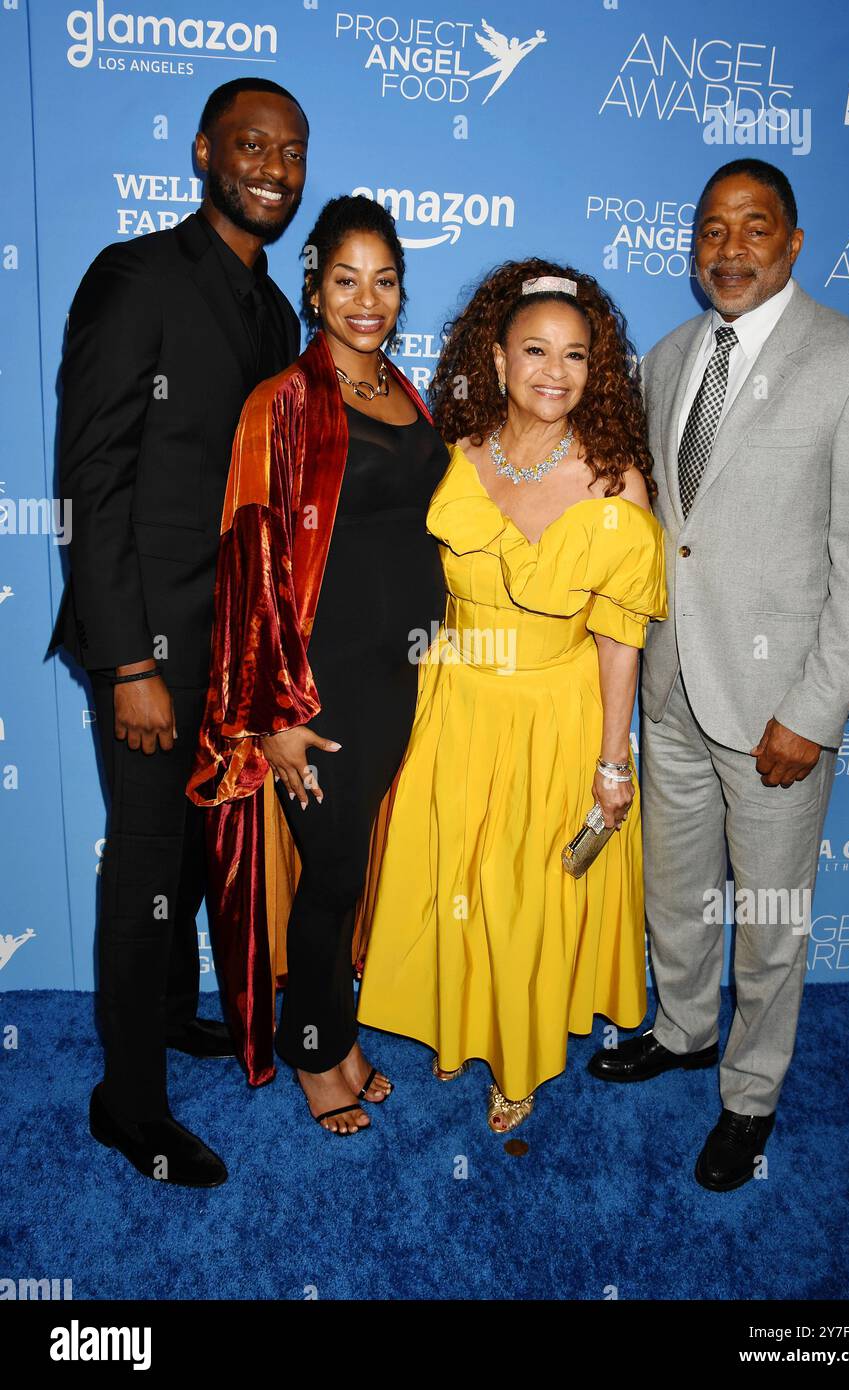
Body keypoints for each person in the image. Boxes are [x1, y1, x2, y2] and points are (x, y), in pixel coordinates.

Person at [588, 159, 849, 1191]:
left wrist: (813, 713)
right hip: (674, 689)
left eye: (754, 228)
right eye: (712, 230)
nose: (730, 249)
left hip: (777, 708)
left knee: (770, 918)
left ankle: (750, 1093)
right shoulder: (671, 356)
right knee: (676, 889)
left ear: (795, 243)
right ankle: (685, 1030)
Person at [48, 78, 309, 1187]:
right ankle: (129, 1102)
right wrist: (129, 660)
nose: (272, 166)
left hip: (238, 646)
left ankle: (165, 1018)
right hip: (150, 644)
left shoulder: (279, 314)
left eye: (292, 152)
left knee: (202, 856)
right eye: (252, 144)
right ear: (204, 151)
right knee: (148, 858)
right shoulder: (136, 276)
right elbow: (90, 477)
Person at [356, 259, 668, 1132]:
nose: (553, 373)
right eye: (534, 350)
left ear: (594, 369)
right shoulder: (451, 462)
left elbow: (619, 638)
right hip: (456, 708)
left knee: (530, 896)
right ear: (496, 360)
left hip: (556, 718)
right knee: (464, 883)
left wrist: (614, 760)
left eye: (574, 355)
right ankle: (464, 1027)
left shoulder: (615, 485)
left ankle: (520, 1064)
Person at [187, 195, 449, 1136]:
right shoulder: (283, 404)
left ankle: (338, 1036)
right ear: (315, 285)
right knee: (331, 869)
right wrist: (275, 712)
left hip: (400, 675)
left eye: (385, 281)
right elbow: (253, 565)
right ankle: (312, 1052)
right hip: (320, 683)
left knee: (355, 867)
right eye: (346, 279)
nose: (366, 299)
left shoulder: (404, 393)